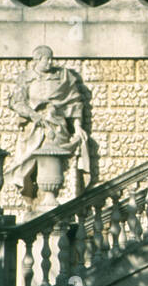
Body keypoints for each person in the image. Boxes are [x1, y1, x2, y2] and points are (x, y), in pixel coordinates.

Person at [8, 46, 93, 202]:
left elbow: (74, 102)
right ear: (37, 60)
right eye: (47, 59)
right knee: (26, 165)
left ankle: (53, 199)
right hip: (33, 128)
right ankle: (33, 200)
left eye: (52, 58)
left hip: (56, 127)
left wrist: (78, 126)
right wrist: (32, 115)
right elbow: (17, 102)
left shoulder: (62, 77)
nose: (51, 62)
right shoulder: (26, 78)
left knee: (55, 162)